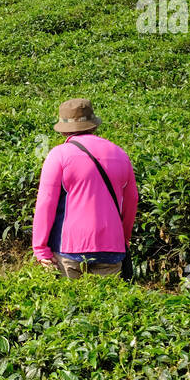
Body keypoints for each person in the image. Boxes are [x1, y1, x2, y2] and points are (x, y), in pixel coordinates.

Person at [32, 98, 137, 278]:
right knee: (108, 303)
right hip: (112, 248)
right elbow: (131, 200)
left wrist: (40, 248)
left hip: (69, 248)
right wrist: (123, 239)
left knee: (69, 304)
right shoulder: (120, 153)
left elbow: (46, 203)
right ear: (93, 124)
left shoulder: (59, 155)